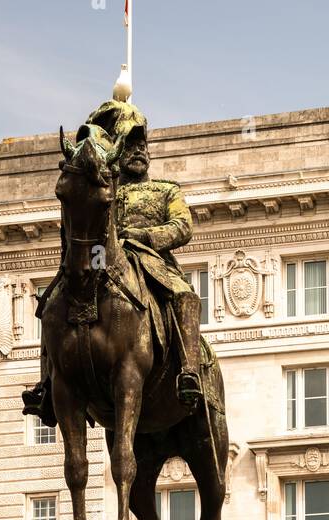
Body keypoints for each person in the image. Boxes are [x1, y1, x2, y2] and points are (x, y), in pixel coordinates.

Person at [22, 99, 203, 424]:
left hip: (153, 263)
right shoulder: (105, 187)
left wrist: (145, 237)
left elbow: (182, 226)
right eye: (130, 146)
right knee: (52, 302)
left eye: (142, 145)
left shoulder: (164, 191)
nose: (138, 151)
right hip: (102, 261)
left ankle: (188, 373)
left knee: (185, 296)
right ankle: (47, 385)